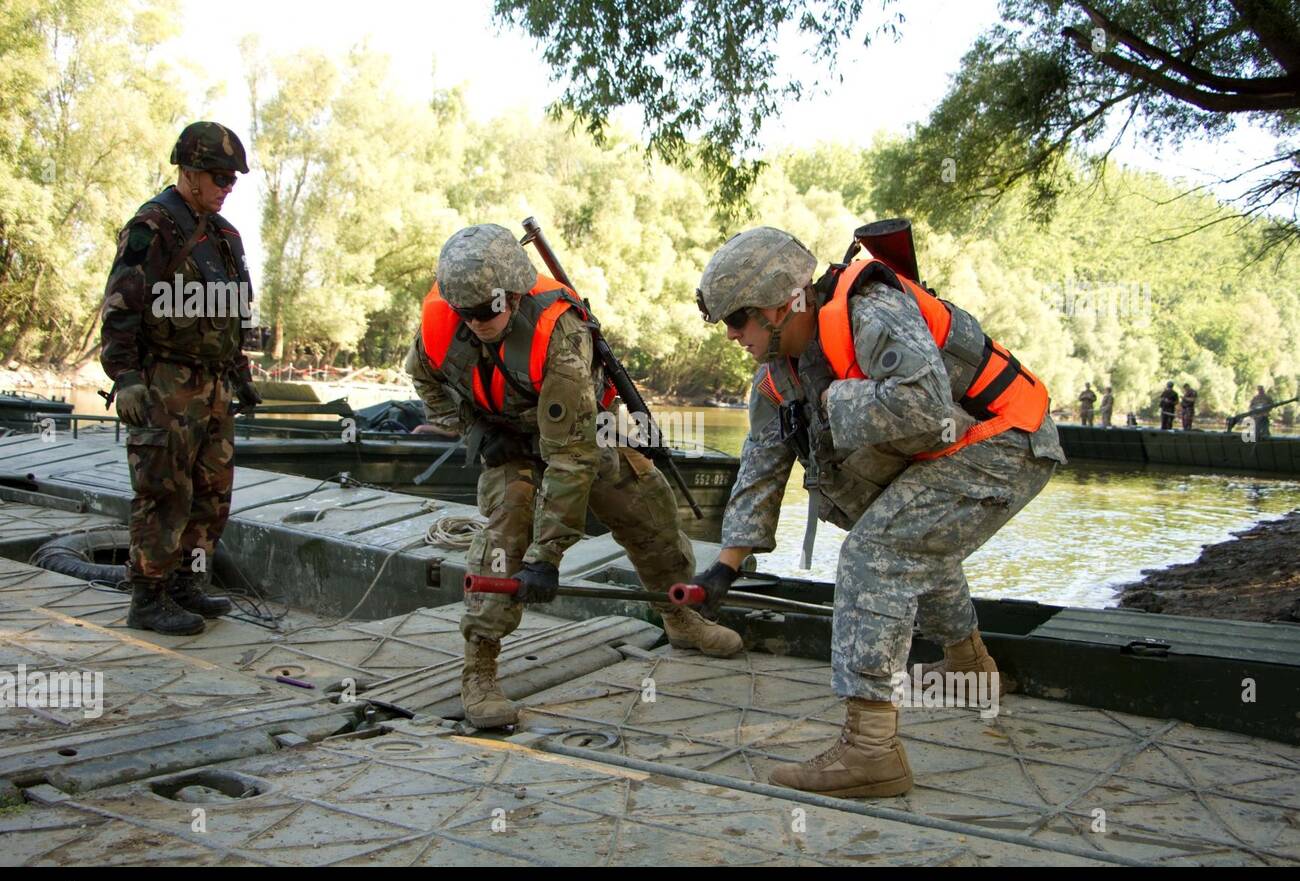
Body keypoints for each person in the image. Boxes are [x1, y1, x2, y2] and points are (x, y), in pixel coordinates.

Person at [689, 226, 1064, 798]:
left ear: (780, 303)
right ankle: (968, 665)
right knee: (908, 539)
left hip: (1008, 438)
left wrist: (830, 400)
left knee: (876, 554)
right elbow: (761, 466)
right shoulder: (776, 378)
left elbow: (922, 403)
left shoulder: (872, 310)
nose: (732, 335)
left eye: (737, 320)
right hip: (963, 447)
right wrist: (726, 566)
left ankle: (870, 751)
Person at [404, 224, 742, 729]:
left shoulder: (559, 335)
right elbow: (426, 381)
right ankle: (480, 666)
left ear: (515, 295)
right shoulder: (442, 323)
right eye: (466, 314)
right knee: (506, 523)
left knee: (646, 501)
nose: (476, 322)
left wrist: (548, 559)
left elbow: (572, 459)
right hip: (508, 437)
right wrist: (472, 427)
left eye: (488, 311)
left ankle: (679, 615)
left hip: (577, 432)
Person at [100, 121, 261, 636]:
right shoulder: (154, 227)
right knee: (163, 492)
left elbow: (232, 313)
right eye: (218, 177)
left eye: (232, 179)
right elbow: (121, 307)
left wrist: (239, 373)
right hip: (165, 380)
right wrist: (125, 377)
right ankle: (148, 597)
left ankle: (187, 586)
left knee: (212, 495)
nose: (226, 187)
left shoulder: (224, 236)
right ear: (188, 171)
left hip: (214, 386)